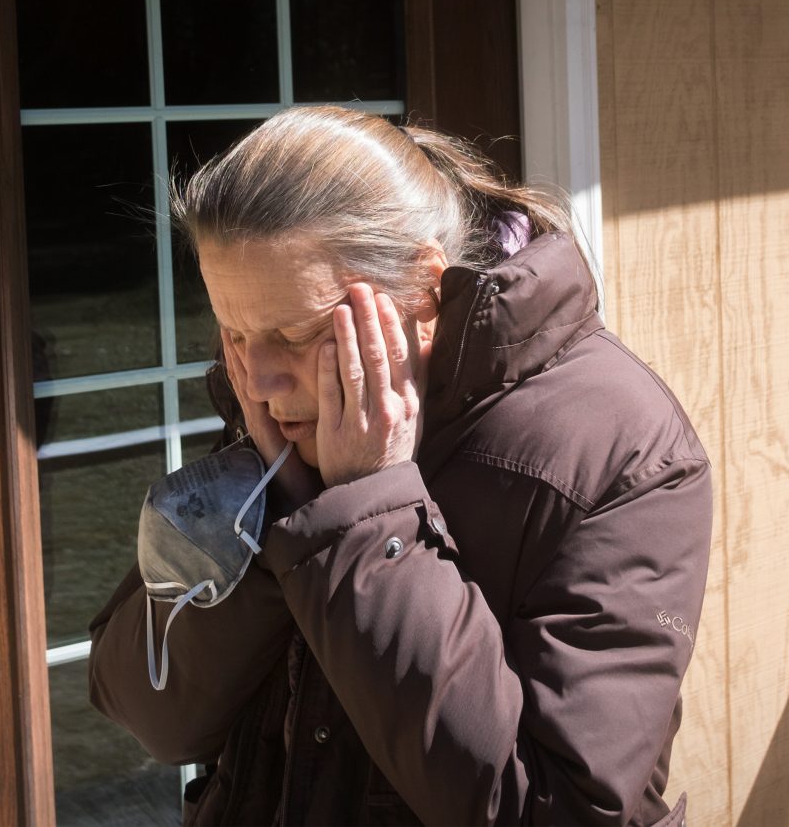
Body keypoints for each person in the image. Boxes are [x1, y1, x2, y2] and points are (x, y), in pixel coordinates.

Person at [87, 106, 712, 826]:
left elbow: (557, 809)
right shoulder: (283, 407)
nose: (256, 379)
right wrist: (273, 521)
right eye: (234, 330)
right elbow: (150, 713)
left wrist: (364, 513)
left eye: (297, 332)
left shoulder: (624, 449)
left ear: (422, 289)